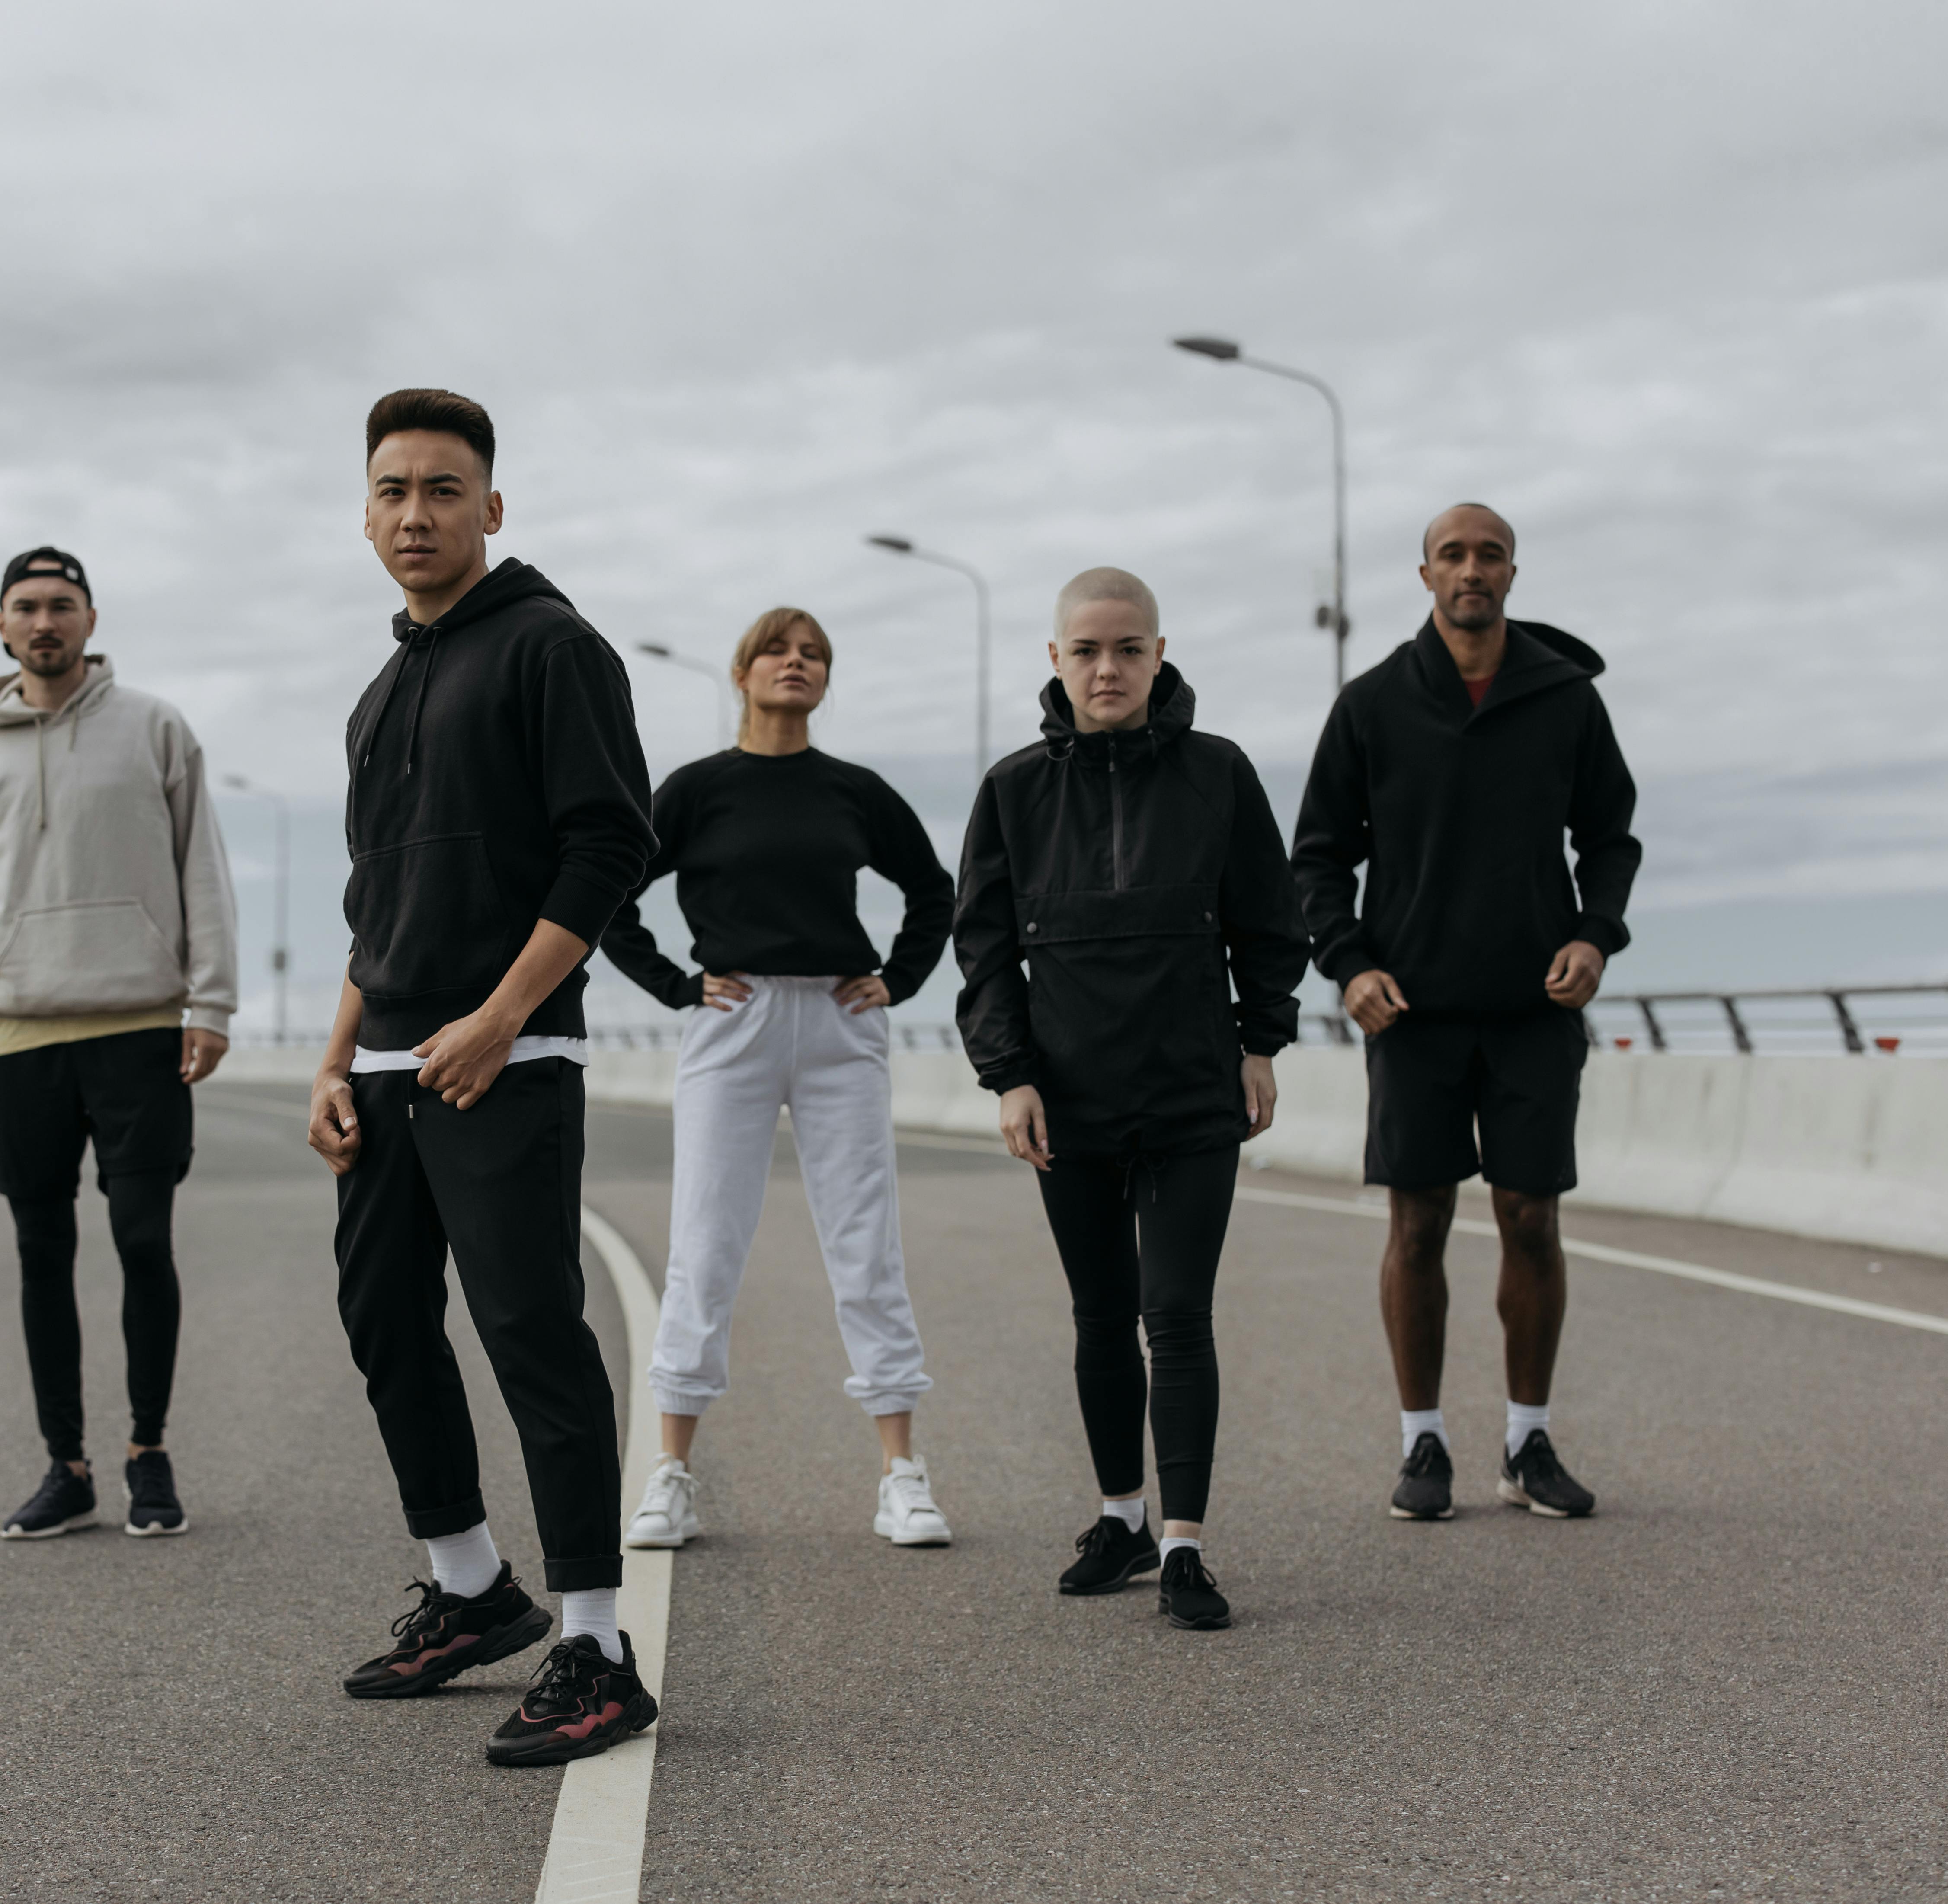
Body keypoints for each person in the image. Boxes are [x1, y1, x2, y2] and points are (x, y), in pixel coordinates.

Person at [305, 389, 661, 1769]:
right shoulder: (379, 690)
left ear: (491, 508)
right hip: (386, 1063)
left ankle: (598, 1647)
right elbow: (372, 904)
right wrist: (334, 1061)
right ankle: (468, 1588)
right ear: (367, 513)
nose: (416, 514)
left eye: (442, 490)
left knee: (531, 1335)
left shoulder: (552, 648)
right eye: (392, 490)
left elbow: (607, 847)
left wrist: (503, 1016)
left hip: (504, 1059)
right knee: (385, 1322)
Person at [954, 568, 1307, 1631]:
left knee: (1177, 1315)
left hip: (1193, 1090)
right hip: (1068, 1098)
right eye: (1086, 651)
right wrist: (1009, 1074)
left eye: (1127, 649)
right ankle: (1120, 1521)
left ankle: (1184, 1543)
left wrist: (1259, 1043)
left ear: (1158, 654)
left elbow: (1268, 920)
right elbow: (982, 948)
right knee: (1100, 1317)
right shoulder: (1012, 790)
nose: (1106, 669)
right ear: (1055, 660)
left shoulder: (1217, 772)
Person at [1292, 503, 1640, 1524]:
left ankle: (1527, 1442)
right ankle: (1422, 1443)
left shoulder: (1564, 697)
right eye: (1452, 555)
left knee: (1530, 1219)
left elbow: (1609, 838)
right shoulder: (1371, 704)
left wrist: (1593, 936)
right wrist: (1348, 964)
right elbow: (1316, 857)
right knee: (1417, 1225)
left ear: (1511, 574)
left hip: (1534, 1009)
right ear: (1425, 576)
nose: (1470, 570)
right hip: (1412, 1015)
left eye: (1489, 555)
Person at [0, 546, 238, 1542]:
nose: (44, 622)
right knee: (40, 1252)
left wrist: (211, 1005)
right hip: (18, 1041)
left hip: (139, 1031)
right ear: (2, 627)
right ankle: (67, 1467)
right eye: (26, 607)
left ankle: (148, 1452)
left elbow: (203, 871)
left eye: (60, 605)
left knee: (142, 1243)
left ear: (90, 619)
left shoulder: (156, 728)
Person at [597, 607, 956, 1551]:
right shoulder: (697, 790)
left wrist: (900, 978)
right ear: (742, 672)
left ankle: (901, 1476)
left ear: (825, 681)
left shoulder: (853, 792)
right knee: (705, 1244)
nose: (796, 663)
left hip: (842, 1025)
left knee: (865, 1244)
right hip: (735, 1020)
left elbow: (934, 890)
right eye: (778, 650)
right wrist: (675, 985)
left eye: (814, 655)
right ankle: (671, 1476)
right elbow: (611, 890)